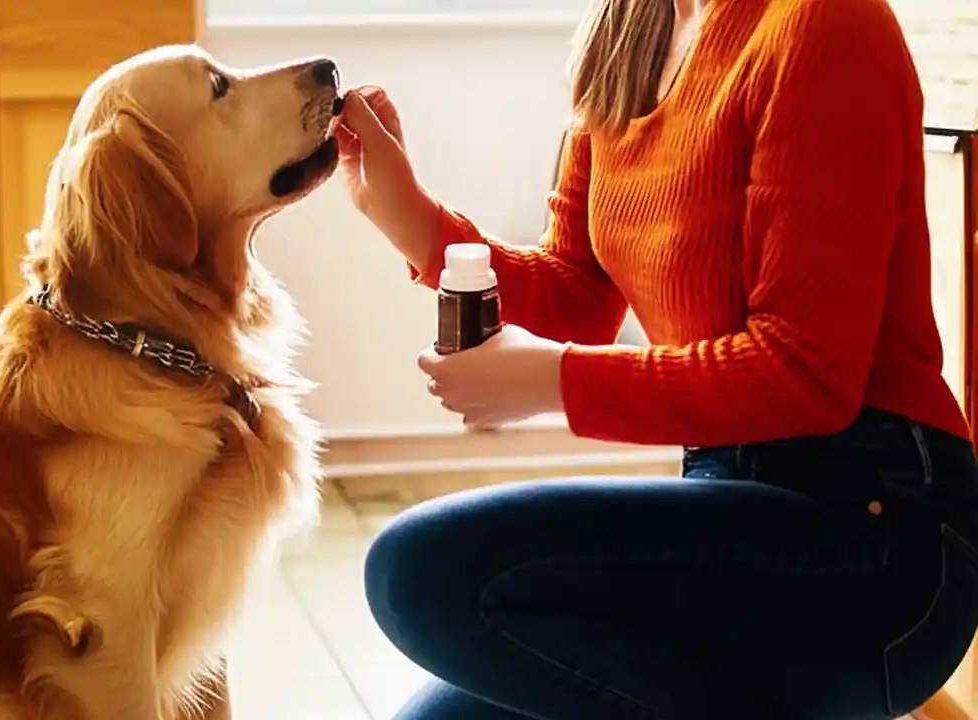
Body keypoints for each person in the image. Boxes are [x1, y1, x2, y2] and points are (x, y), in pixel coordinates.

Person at [337, 0, 978, 717]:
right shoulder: (631, 31)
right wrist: (406, 214)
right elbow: (580, 292)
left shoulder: (825, 22)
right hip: (729, 501)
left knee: (421, 573)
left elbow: (805, 376)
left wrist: (549, 379)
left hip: (875, 535)